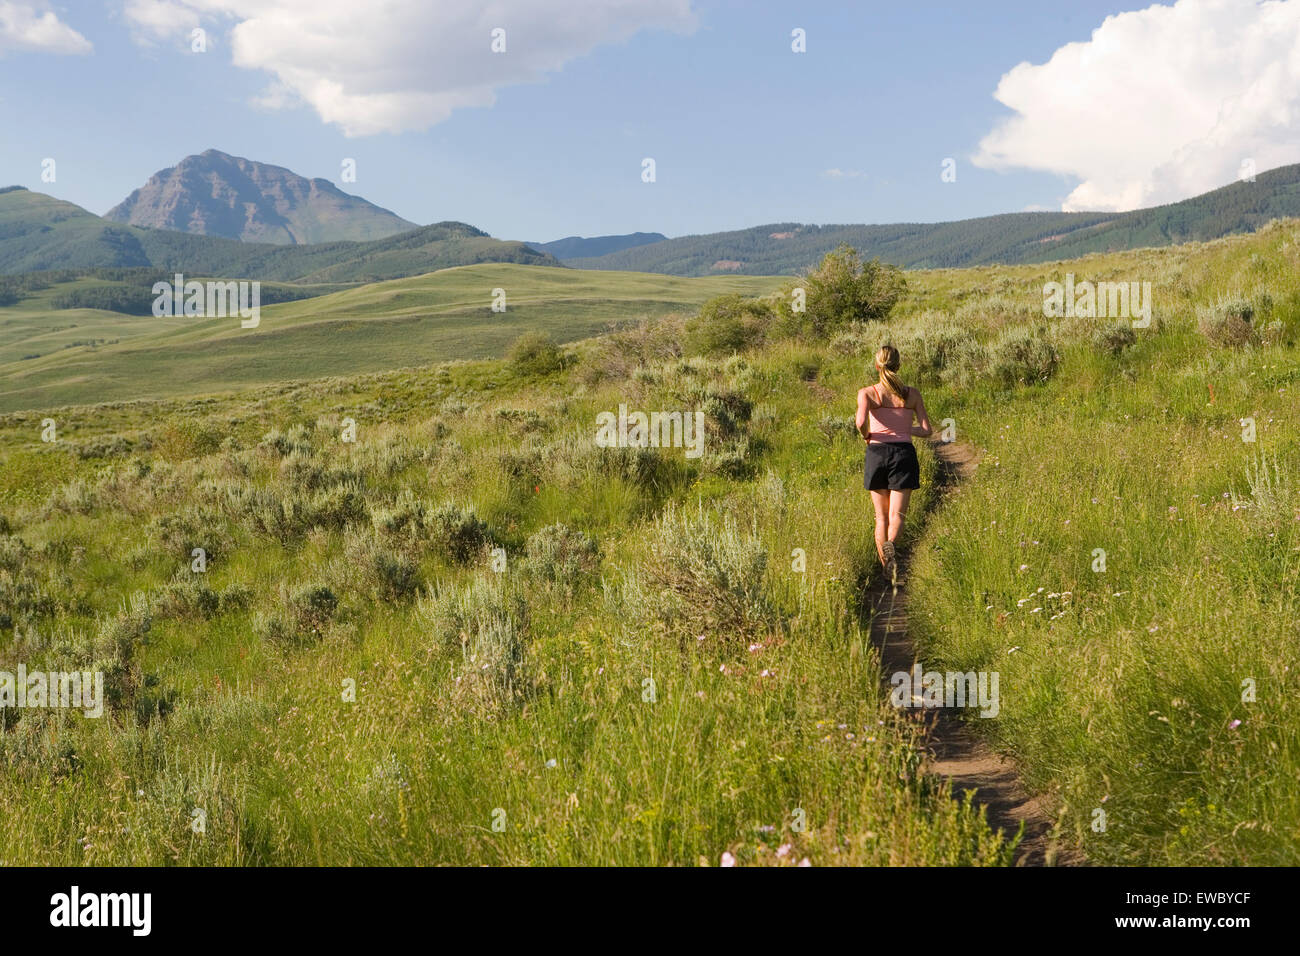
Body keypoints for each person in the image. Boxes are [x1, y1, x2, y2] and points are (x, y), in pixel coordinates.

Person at [855, 345, 931, 580]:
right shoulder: (912, 394)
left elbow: (859, 422)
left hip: (876, 453)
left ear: (877, 366)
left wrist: (867, 435)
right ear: (898, 366)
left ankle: (887, 571)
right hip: (903, 454)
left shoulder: (868, 393)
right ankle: (891, 545)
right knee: (898, 515)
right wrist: (907, 430)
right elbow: (928, 430)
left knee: (881, 517)